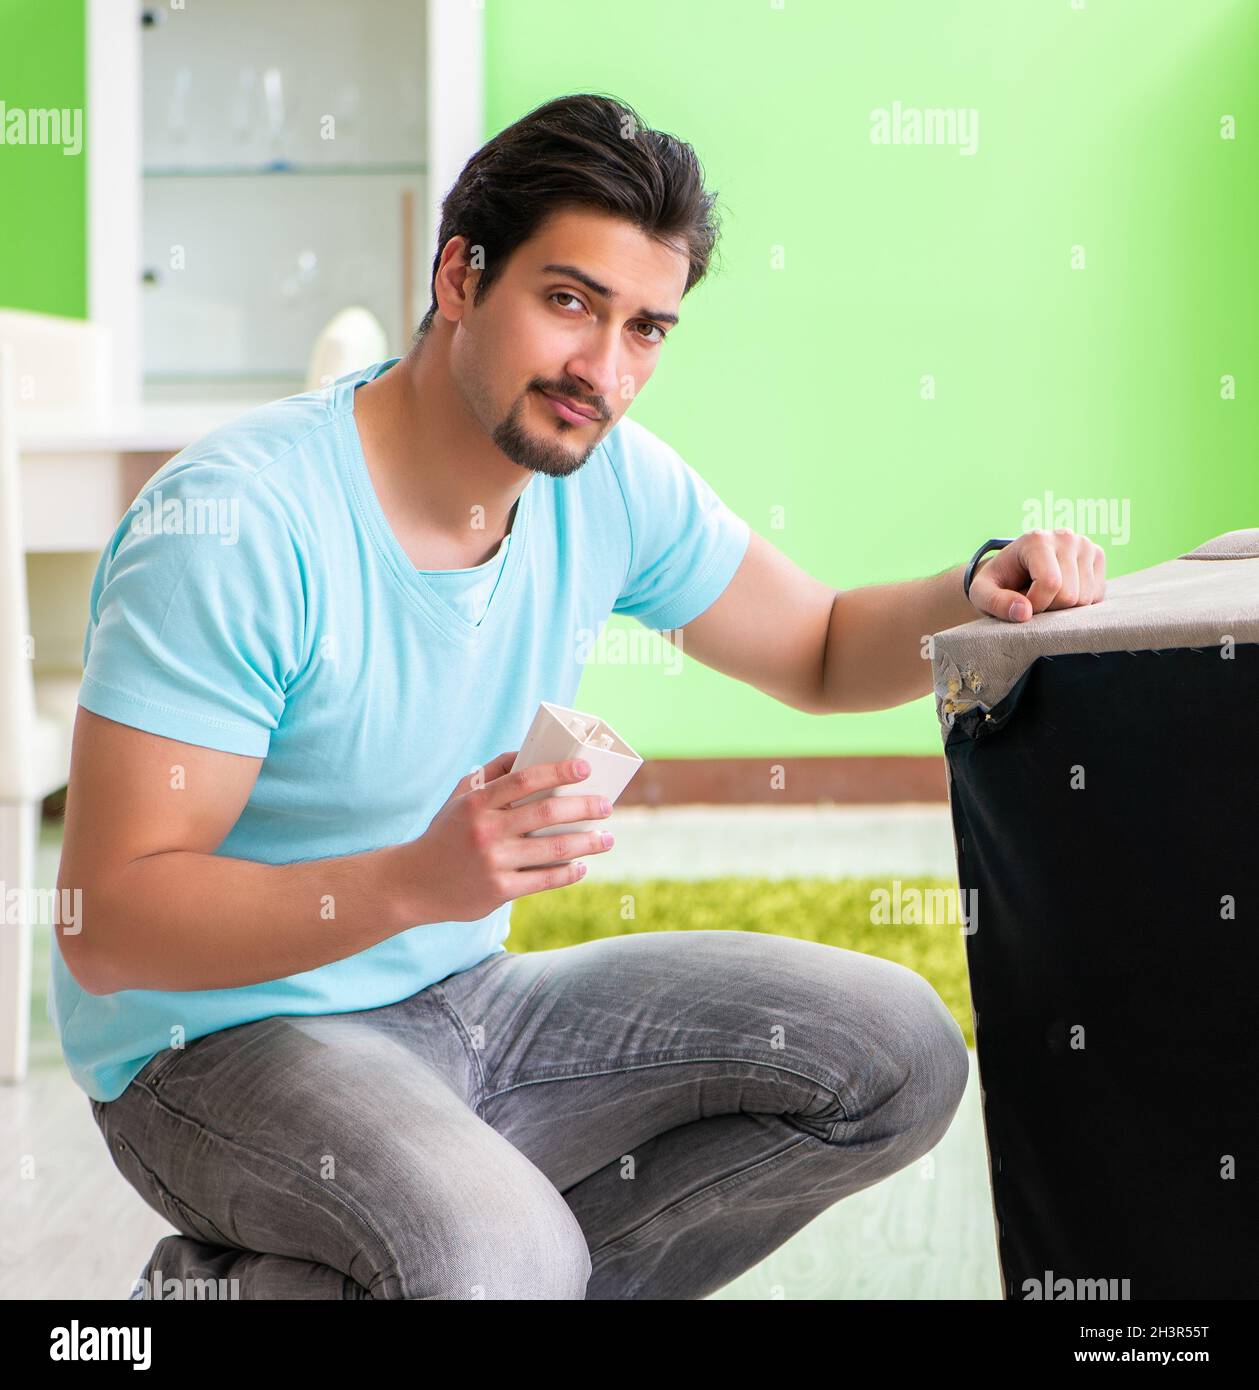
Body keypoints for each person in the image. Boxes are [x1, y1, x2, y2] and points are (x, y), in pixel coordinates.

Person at [52, 92, 1105, 1300]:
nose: (603, 371)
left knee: (896, 1055)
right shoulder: (240, 526)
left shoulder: (601, 481)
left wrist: (978, 587)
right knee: (503, 1256)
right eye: (569, 303)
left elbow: (815, 647)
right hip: (209, 1047)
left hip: (464, 998)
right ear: (459, 277)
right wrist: (413, 882)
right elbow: (109, 921)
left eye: (646, 329)